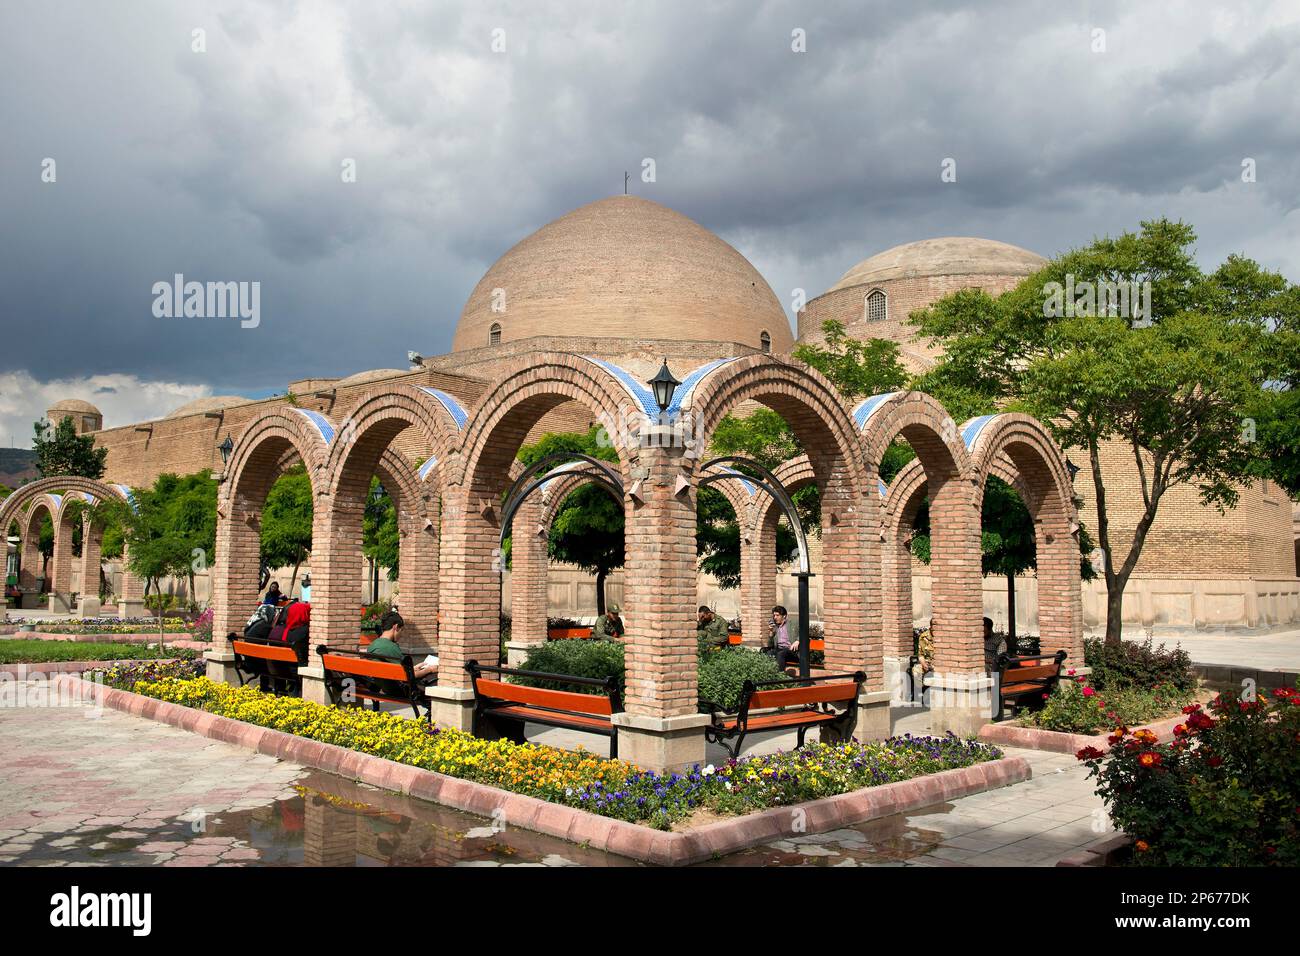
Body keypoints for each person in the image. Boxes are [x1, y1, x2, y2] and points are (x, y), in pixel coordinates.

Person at [366, 611, 437, 682]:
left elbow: (397, 669)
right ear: (396, 627)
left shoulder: (373, 645)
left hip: (381, 685)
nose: (401, 634)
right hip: (396, 690)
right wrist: (429, 669)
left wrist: (414, 668)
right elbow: (408, 676)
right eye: (401, 630)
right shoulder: (390, 647)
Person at [770, 605, 800, 671]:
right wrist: (771, 633)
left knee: (781, 654)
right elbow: (770, 645)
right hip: (779, 650)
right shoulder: (775, 627)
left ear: (784, 616)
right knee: (766, 653)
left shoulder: (793, 623)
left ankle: (780, 677)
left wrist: (797, 641)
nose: (775, 617)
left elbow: (804, 630)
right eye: (774, 615)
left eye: (777, 615)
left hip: (791, 651)